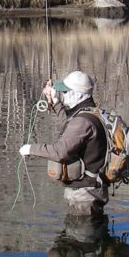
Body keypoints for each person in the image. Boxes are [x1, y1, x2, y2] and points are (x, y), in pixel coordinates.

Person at [19, 70, 109, 216]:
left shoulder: (83, 121)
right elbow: (69, 126)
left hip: (84, 196)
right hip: (90, 191)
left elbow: (60, 151)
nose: (63, 94)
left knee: (81, 237)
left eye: (65, 92)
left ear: (79, 94)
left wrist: (30, 149)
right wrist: (55, 102)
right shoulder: (91, 113)